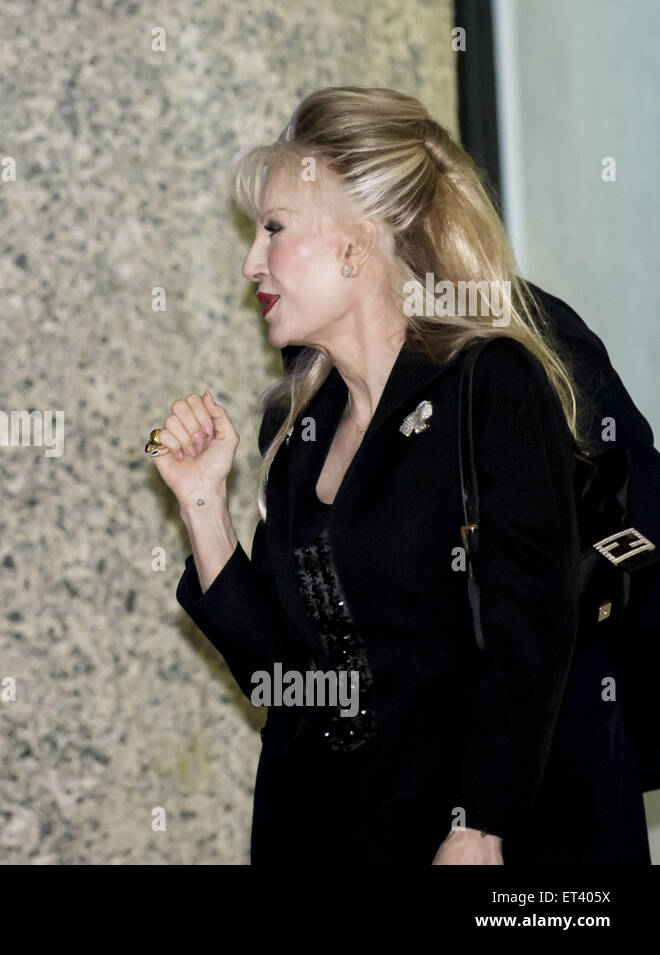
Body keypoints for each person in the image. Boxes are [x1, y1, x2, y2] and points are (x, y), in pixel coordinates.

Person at [150, 86, 647, 864]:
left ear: (357, 243)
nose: (251, 260)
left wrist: (478, 826)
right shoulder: (302, 427)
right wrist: (204, 507)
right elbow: (286, 682)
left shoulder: (491, 381)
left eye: (274, 229)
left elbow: (532, 633)